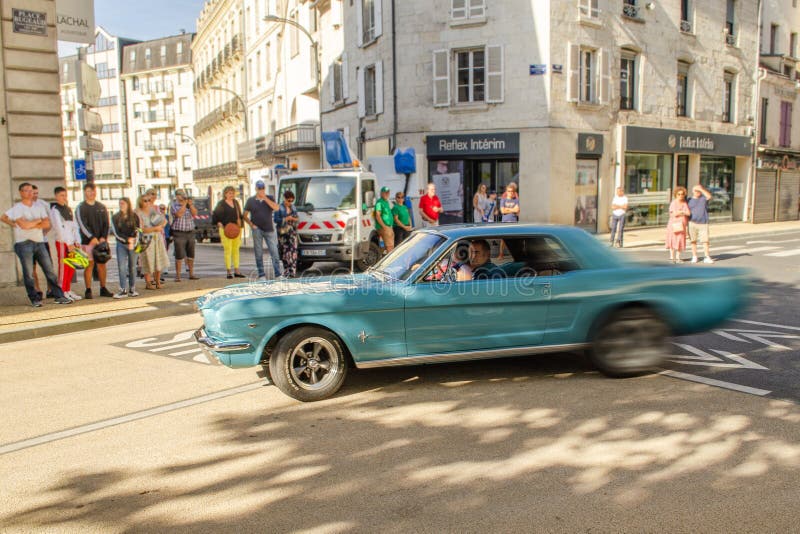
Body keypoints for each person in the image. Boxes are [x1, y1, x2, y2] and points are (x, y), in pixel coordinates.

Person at [1, 183, 72, 306]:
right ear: (21, 192)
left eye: (31, 190)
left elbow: (46, 224)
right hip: (23, 243)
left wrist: (31, 224)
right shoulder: (18, 208)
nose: (30, 193)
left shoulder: (39, 207)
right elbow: (18, 223)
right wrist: (33, 222)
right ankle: (34, 298)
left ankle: (59, 296)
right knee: (29, 273)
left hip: (39, 242)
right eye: (27, 191)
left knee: (49, 270)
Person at [75, 183, 112, 299]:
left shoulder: (101, 207)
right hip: (88, 242)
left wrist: (103, 237)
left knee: (102, 264)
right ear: (84, 192)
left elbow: (106, 223)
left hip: (101, 242)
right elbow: (82, 224)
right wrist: (92, 237)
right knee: (89, 265)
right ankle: (88, 289)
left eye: (93, 191)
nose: (92, 193)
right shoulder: (81, 207)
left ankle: (103, 288)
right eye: (89, 191)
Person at [49, 186, 83, 301]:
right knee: (64, 267)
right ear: (56, 196)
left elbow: (74, 226)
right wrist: (68, 243)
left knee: (71, 267)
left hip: (72, 243)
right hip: (62, 242)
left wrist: (77, 240)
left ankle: (67, 289)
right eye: (61, 195)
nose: (64, 197)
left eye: (65, 195)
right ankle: (61, 291)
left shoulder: (68, 209)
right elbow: (59, 228)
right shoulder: (55, 210)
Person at [244, 180, 282, 280]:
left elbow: (276, 208)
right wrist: (251, 224)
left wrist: (265, 198)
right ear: (256, 189)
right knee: (258, 252)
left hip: (269, 229)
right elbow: (244, 215)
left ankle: (278, 274)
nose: (261, 190)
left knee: (274, 251)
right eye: (259, 188)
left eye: (262, 188)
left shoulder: (269, 198)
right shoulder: (250, 200)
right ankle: (261, 274)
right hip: (257, 229)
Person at [136, 195, 169, 289]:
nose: (147, 202)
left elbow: (164, 221)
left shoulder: (152, 211)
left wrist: (161, 226)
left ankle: (157, 281)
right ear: (140, 201)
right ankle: (148, 283)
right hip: (144, 238)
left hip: (156, 237)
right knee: (147, 261)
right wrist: (154, 228)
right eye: (145, 200)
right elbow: (140, 229)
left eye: (149, 200)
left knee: (158, 259)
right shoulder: (137, 212)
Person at [213, 185, 245, 279]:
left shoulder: (236, 202)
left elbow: (239, 216)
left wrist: (241, 226)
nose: (232, 195)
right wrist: (219, 223)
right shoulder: (221, 204)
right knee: (228, 250)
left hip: (236, 229)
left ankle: (237, 270)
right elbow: (215, 215)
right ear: (225, 194)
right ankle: (228, 271)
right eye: (230, 193)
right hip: (225, 229)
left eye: (233, 193)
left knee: (236, 250)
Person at [111, 198, 140, 298]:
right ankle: (123, 289)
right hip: (121, 244)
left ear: (128, 204)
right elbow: (116, 233)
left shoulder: (134, 216)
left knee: (132, 266)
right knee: (121, 266)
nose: (121, 205)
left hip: (133, 244)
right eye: (120, 203)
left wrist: (134, 240)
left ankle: (132, 288)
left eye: (123, 203)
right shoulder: (115, 217)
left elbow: (138, 230)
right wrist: (127, 240)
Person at [170, 189, 199, 281]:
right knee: (179, 254)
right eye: (180, 195)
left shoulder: (189, 205)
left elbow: (195, 213)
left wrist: (190, 205)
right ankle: (178, 275)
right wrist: (184, 204)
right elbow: (179, 214)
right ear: (177, 196)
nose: (182, 196)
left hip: (190, 231)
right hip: (179, 232)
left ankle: (191, 274)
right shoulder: (174, 205)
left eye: (183, 194)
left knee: (191, 254)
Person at [274, 189, 299, 277]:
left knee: (293, 252)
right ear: (284, 198)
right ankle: (287, 270)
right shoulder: (279, 207)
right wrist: (286, 219)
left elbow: (297, 218)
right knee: (285, 252)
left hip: (292, 233)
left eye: (292, 201)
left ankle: (292, 271)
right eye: (289, 200)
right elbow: (276, 220)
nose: (290, 202)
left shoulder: (293, 207)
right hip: (283, 234)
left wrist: (293, 219)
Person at [688, 184, 715, 264]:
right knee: (693, 240)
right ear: (693, 191)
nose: (697, 192)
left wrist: (701, 189)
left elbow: (709, 196)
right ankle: (694, 256)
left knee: (705, 241)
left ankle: (707, 257)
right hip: (692, 222)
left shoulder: (703, 199)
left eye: (698, 191)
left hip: (703, 223)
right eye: (695, 190)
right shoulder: (689, 200)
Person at [666, 186, 691, 263]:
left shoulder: (684, 203)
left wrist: (681, 212)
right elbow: (674, 214)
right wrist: (682, 212)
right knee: (672, 239)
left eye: (682, 194)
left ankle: (678, 257)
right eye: (679, 194)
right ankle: (671, 257)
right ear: (676, 195)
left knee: (680, 240)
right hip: (673, 224)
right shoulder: (673, 203)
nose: (680, 195)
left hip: (682, 225)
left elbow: (688, 213)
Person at [374, 186, 395, 253]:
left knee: (391, 246)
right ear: (381, 193)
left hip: (389, 226)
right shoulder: (379, 203)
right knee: (390, 246)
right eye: (385, 193)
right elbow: (377, 216)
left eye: (388, 193)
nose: (387, 194)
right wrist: (384, 226)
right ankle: (391, 259)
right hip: (384, 227)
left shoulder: (386, 202)